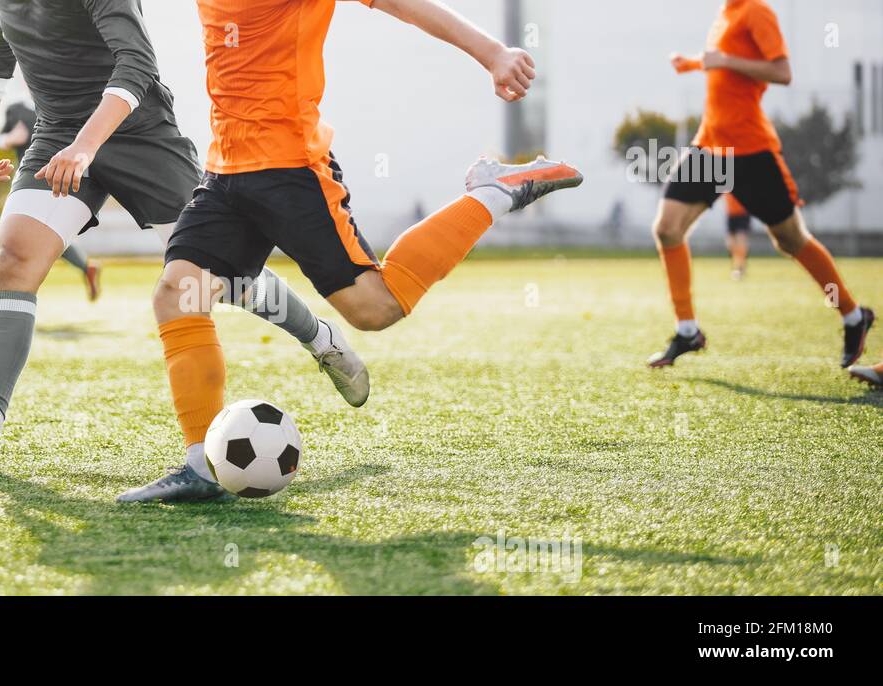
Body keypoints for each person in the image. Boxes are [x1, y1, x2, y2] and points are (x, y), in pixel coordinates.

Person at [117, 0, 583, 503]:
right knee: (177, 292)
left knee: (375, 308)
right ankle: (201, 465)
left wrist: (491, 52)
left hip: (292, 168)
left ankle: (494, 191)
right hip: (225, 172)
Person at [0, 0, 370, 468]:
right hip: (58, 134)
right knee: (14, 258)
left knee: (218, 277)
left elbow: (136, 64)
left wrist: (86, 147)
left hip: (141, 135)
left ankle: (321, 339)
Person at [651, 0, 873, 368]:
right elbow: (723, 67)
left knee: (790, 239)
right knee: (667, 229)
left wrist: (723, 60)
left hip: (751, 150)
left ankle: (852, 315)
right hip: (709, 146)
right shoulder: (726, 13)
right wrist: (693, 63)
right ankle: (687, 330)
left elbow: (782, 72)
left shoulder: (757, 11)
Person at [0, 101, 103, 302]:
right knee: (45, 232)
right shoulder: (58, 103)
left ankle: (82, 267)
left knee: (29, 235)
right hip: (60, 174)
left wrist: (7, 139)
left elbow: (13, 137)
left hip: (36, 179)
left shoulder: (19, 109)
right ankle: (85, 266)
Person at [724, 195, 753, 281]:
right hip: (730, 214)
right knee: (730, 243)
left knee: (741, 240)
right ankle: (736, 265)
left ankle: (741, 267)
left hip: (742, 213)